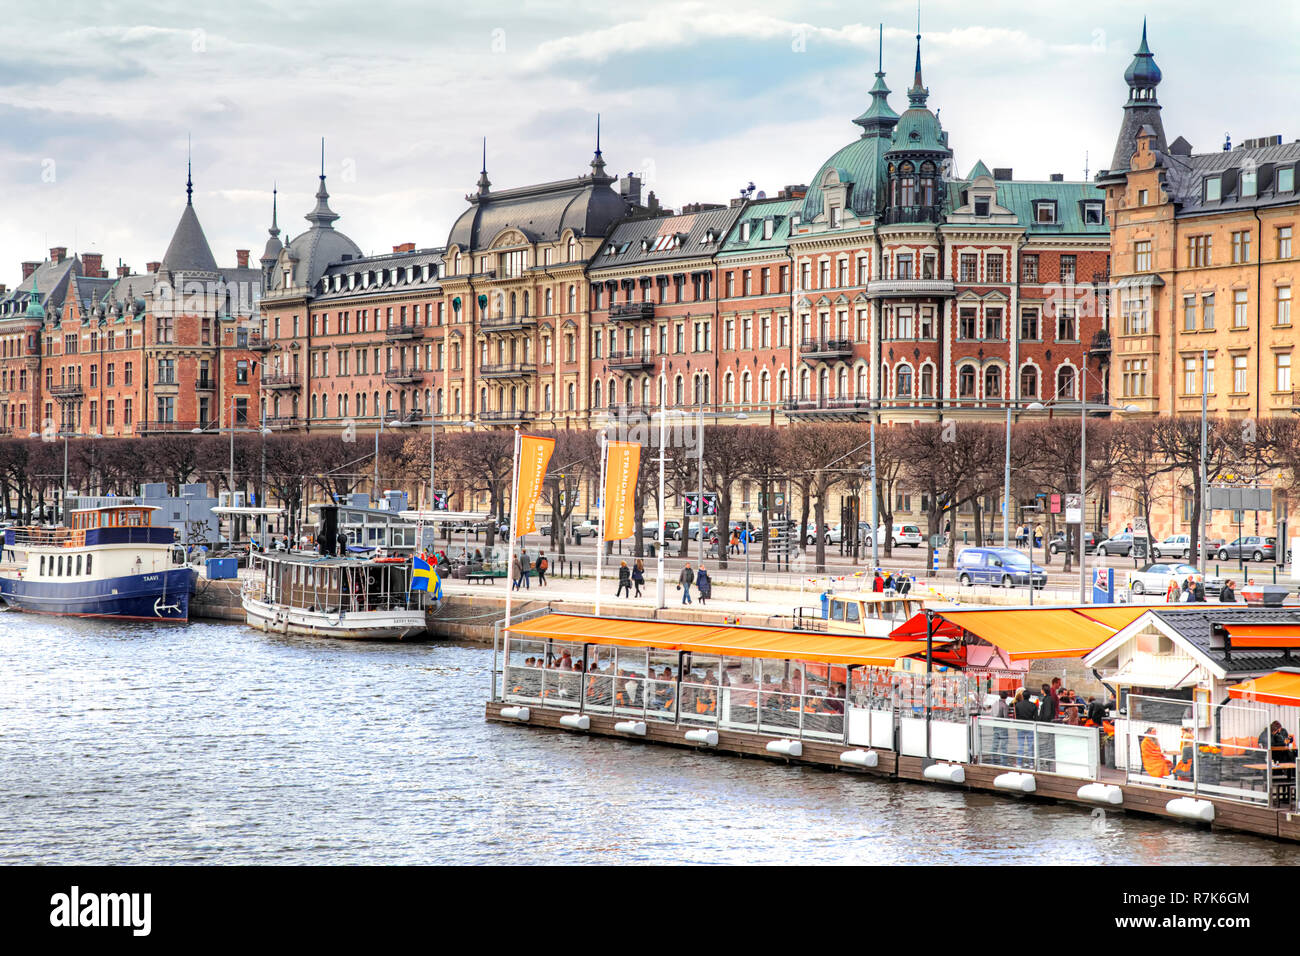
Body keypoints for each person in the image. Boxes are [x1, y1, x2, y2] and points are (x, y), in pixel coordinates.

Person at [1013, 689, 1037, 769]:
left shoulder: (1018, 705)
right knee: (1030, 746)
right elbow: (1036, 718)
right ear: (1030, 697)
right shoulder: (1033, 706)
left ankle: (1019, 763)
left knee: (1020, 746)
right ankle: (1031, 763)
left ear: (1022, 696)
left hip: (1021, 726)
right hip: (1030, 726)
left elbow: (1017, 717)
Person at [991, 690, 1010, 760]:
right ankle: (1003, 760)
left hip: (995, 726)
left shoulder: (994, 703)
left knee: (995, 743)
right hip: (1002, 727)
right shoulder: (1005, 705)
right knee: (1003, 744)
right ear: (1006, 697)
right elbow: (1006, 718)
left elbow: (992, 714)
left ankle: (993, 758)